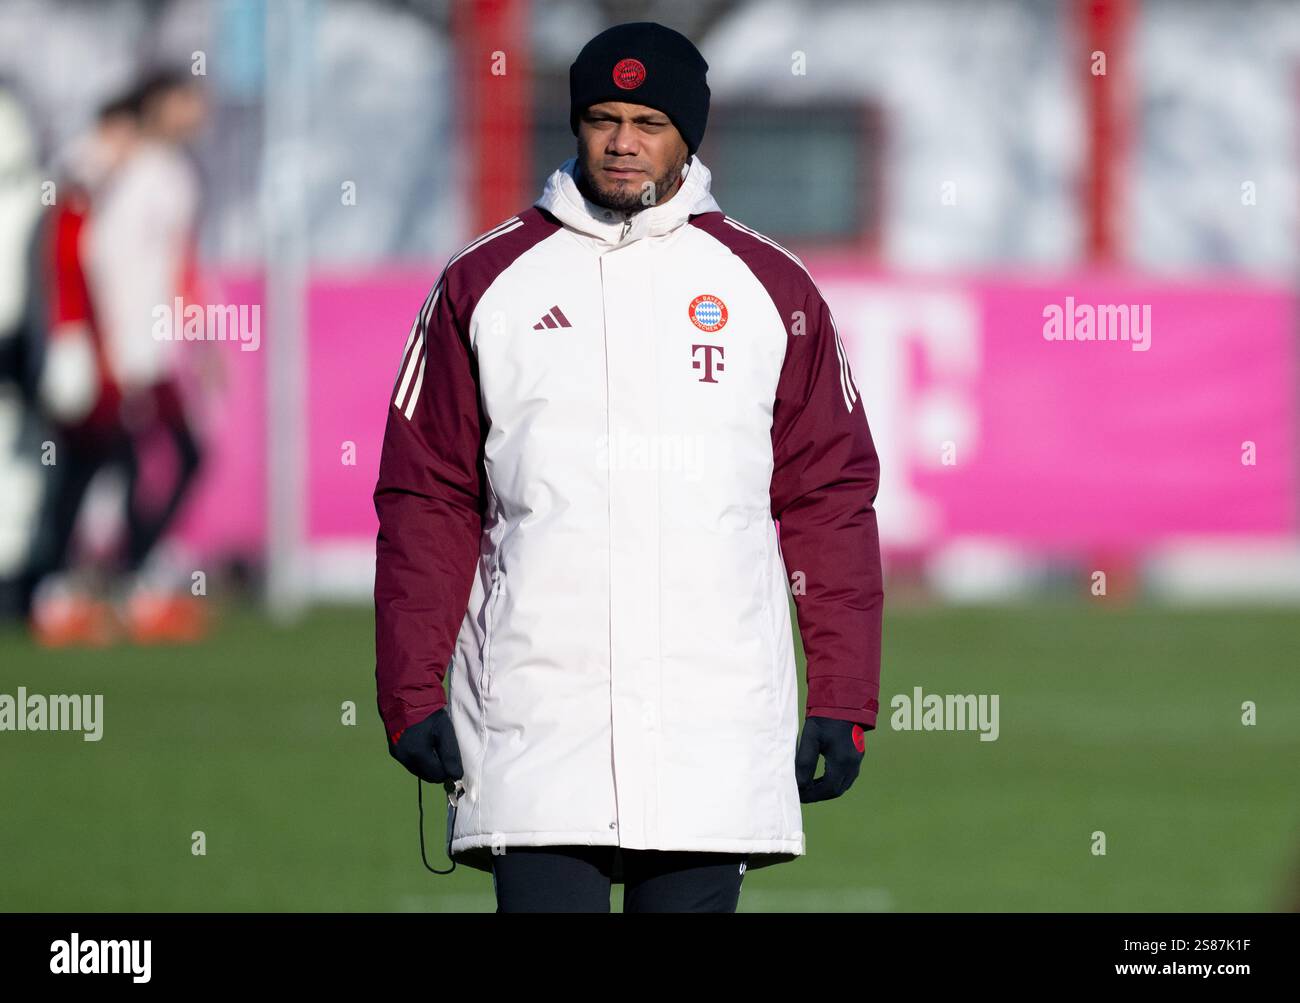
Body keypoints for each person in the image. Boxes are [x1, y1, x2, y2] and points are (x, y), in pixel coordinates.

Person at [375, 21, 884, 913]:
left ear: (689, 133)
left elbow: (828, 501)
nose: (621, 142)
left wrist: (843, 696)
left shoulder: (772, 288)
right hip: (533, 714)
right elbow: (427, 495)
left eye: (648, 122)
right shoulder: (484, 282)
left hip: (711, 723)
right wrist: (410, 687)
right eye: (603, 118)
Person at [81, 68, 210, 642]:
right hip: (127, 345)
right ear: (161, 105)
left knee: (170, 456)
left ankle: (131, 579)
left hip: (153, 346)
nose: (198, 112)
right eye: (188, 101)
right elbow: (100, 250)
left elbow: (177, 264)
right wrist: (107, 337)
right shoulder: (135, 168)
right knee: (129, 461)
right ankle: (111, 582)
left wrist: (200, 335)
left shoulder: (171, 172)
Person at [22, 90, 140, 644]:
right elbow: (63, 270)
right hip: (74, 352)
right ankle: (52, 585)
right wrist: (67, 341)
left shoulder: (89, 193)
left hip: (88, 350)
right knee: (75, 468)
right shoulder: (74, 190)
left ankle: (61, 582)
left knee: (90, 464)